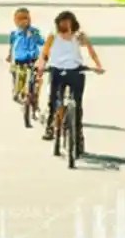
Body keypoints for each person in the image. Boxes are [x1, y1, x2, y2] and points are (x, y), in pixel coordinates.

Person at [36, 10, 104, 149]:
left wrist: (98, 65)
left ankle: (77, 134)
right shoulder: (53, 37)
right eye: (62, 23)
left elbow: (91, 50)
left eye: (68, 23)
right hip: (57, 71)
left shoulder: (78, 37)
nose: (65, 26)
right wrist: (41, 67)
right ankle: (51, 126)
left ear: (73, 24)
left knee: (77, 105)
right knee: (55, 101)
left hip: (75, 72)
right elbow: (44, 54)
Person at [5, 7, 44, 102]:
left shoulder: (34, 31)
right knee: (19, 76)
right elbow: (11, 45)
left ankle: (35, 96)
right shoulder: (14, 34)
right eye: (20, 19)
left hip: (32, 58)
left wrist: (36, 37)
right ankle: (18, 91)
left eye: (25, 18)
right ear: (15, 21)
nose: (23, 22)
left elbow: (41, 42)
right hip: (19, 59)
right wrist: (9, 55)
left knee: (36, 78)